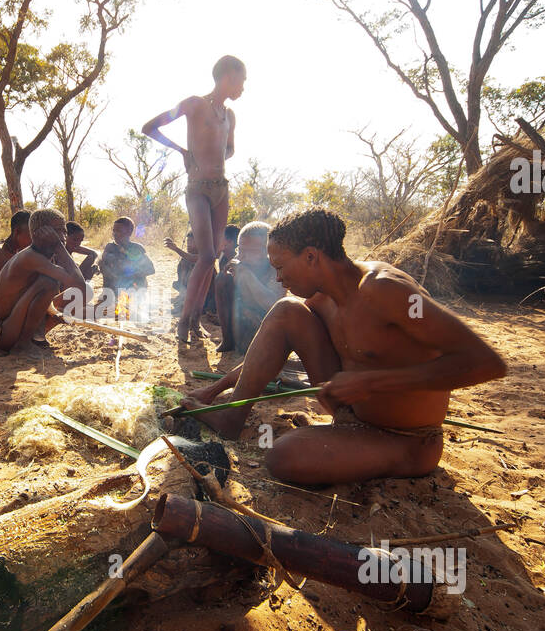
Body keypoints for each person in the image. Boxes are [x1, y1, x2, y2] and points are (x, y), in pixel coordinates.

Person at [184, 208, 506, 486]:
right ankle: (232, 416)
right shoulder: (319, 298)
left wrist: (370, 382)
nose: (278, 278)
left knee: (283, 456)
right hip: (351, 417)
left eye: (281, 268)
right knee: (286, 312)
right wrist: (215, 393)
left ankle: (382, 452)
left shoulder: (385, 291)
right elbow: (265, 354)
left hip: (406, 440)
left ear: (311, 257)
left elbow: (486, 362)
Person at [141, 55, 246, 344]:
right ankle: (184, 322)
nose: (243, 88)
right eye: (242, 81)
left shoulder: (230, 116)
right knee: (207, 255)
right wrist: (182, 151)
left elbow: (230, 149)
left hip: (221, 188)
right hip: (197, 188)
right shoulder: (194, 104)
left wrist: (217, 158)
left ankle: (195, 319)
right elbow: (149, 127)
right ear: (227, 76)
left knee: (211, 257)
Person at [0, 208, 85, 352]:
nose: (63, 236)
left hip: (16, 326)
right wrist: (59, 246)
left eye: (64, 231)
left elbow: (79, 289)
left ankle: (36, 337)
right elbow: (78, 284)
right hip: (5, 333)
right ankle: (24, 344)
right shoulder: (30, 257)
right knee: (49, 282)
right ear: (40, 232)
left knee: (73, 293)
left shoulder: (47, 255)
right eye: (58, 231)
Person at [216, 221, 285, 352]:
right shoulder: (241, 260)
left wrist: (248, 276)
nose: (242, 256)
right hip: (243, 319)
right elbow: (225, 287)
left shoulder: (276, 268)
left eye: (251, 251)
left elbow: (272, 304)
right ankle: (227, 340)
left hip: (265, 327)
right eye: (240, 250)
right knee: (222, 278)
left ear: (269, 251)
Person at [98, 216, 156, 322]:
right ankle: (112, 298)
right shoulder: (110, 247)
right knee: (104, 265)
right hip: (113, 288)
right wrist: (105, 269)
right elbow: (102, 262)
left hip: (131, 288)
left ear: (129, 232)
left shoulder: (136, 248)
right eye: (114, 230)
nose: (115, 233)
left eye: (119, 230)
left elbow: (150, 269)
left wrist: (130, 273)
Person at [165, 230, 197, 316]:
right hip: (188, 291)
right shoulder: (186, 259)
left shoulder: (203, 256)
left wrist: (175, 248)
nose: (188, 244)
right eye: (188, 241)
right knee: (183, 262)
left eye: (191, 241)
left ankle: (186, 301)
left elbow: (192, 258)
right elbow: (188, 257)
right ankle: (183, 297)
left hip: (202, 296)